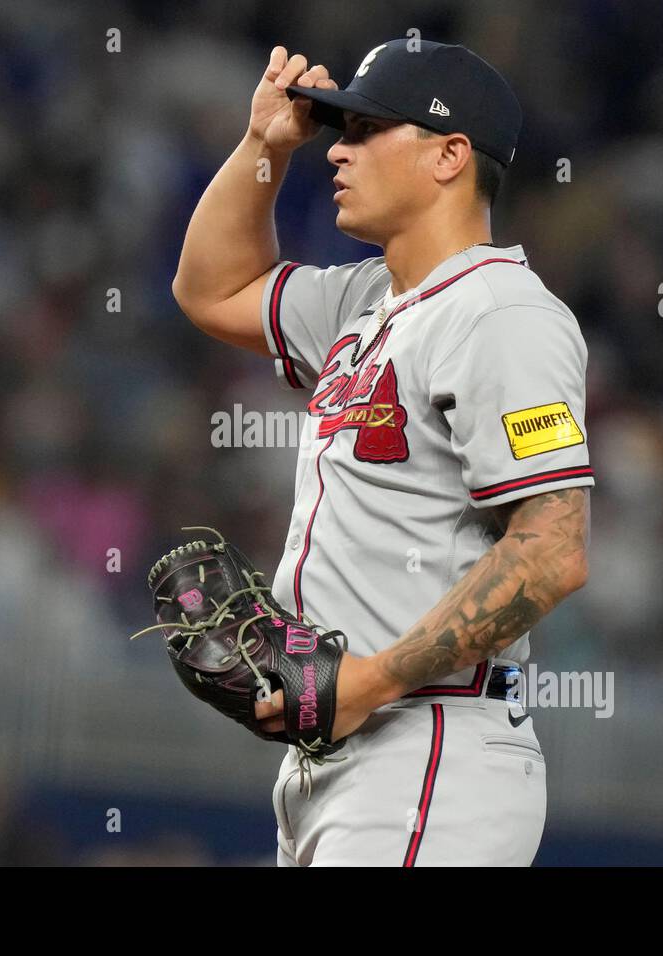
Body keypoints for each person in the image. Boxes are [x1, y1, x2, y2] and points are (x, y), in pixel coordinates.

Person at [171, 39, 594, 866]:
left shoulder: (501, 313)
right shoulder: (369, 300)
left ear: (449, 154)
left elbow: (553, 552)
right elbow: (209, 289)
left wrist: (369, 682)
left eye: (366, 129)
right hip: (352, 759)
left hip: (431, 746)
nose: (335, 149)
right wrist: (264, 149)